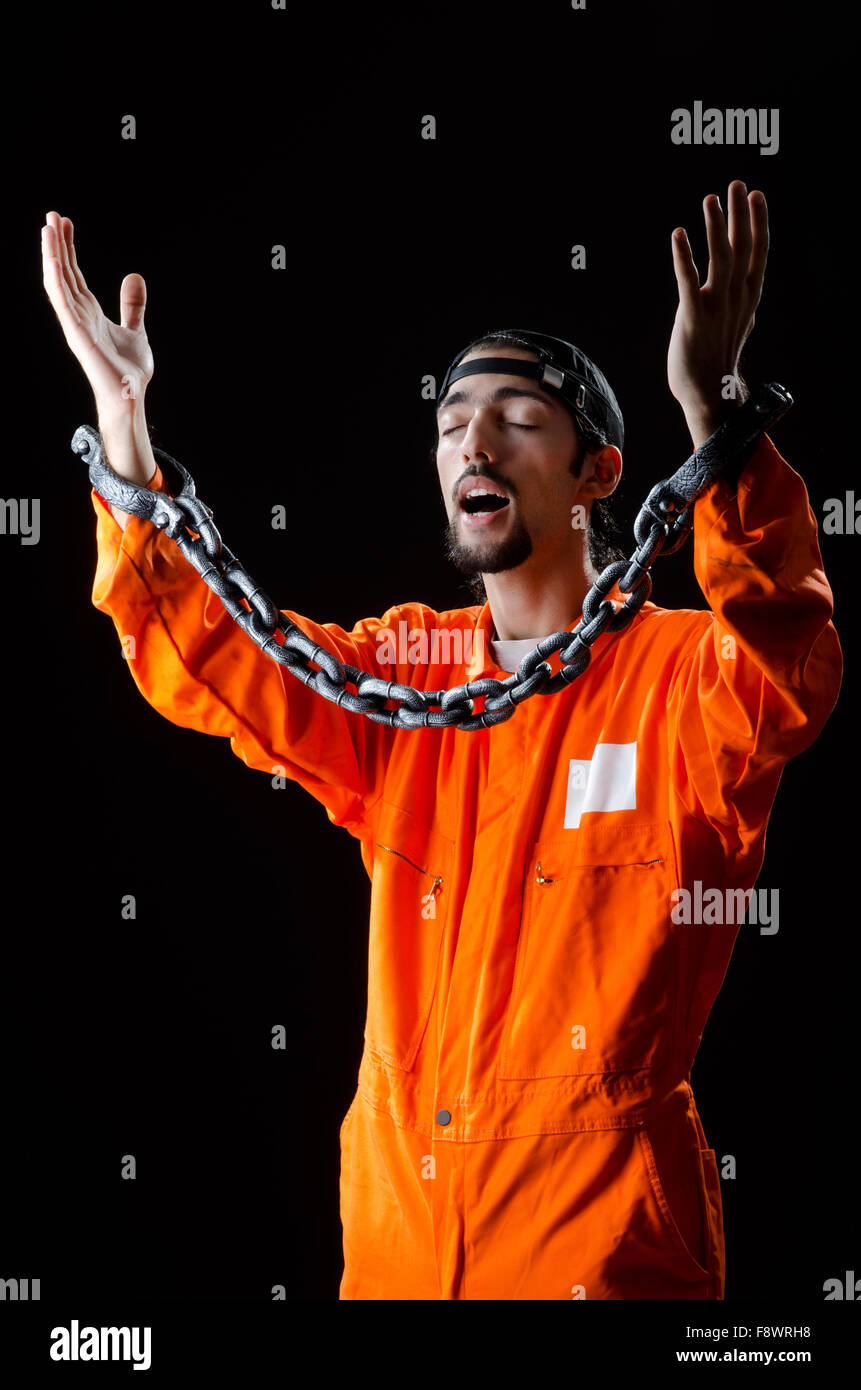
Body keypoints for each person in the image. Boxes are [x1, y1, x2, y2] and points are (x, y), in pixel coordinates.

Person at [41, 181, 841, 1300]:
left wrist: (719, 420)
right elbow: (214, 661)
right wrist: (125, 432)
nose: (475, 439)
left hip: (600, 1262)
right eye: (453, 422)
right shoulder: (403, 671)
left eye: (518, 418)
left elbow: (786, 659)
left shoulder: (678, 680)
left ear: (599, 473)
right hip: (398, 1257)